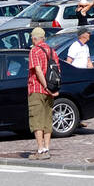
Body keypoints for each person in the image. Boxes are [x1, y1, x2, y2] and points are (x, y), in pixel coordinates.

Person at [27, 27, 61, 159]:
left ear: (35, 38)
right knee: (47, 119)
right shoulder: (52, 51)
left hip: (37, 89)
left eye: (32, 38)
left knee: (36, 120)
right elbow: (57, 71)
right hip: (51, 91)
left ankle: (40, 150)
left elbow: (38, 71)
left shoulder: (34, 51)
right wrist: (53, 89)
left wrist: (45, 86)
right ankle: (47, 148)